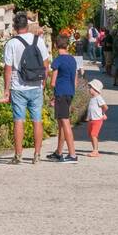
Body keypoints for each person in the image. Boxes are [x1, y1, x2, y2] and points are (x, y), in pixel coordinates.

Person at [2, 11, 50, 164]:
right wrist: (43, 81)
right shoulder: (39, 40)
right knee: (37, 121)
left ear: (15, 27)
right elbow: (46, 63)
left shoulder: (11, 43)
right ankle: (36, 155)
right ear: (27, 26)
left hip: (18, 86)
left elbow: (8, 68)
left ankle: (18, 155)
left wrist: (6, 88)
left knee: (19, 121)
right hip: (36, 85)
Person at [47, 33, 80, 162]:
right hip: (70, 92)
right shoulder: (72, 59)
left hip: (60, 92)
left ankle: (72, 154)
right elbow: (76, 79)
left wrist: (52, 95)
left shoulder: (58, 60)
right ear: (67, 45)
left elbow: (53, 82)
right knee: (61, 123)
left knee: (65, 122)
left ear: (55, 45)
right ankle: (58, 152)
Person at [86, 78, 108, 157]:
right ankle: (94, 149)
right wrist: (88, 117)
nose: (89, 89)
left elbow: (105, 107)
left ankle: (96, 151)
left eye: (90, 88)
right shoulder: (92, 98)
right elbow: (91, 109)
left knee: (93, 134)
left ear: (95, 89)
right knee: (90, 134)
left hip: (97, 120)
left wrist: (103, 114)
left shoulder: (99, 98)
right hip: (91, 120)